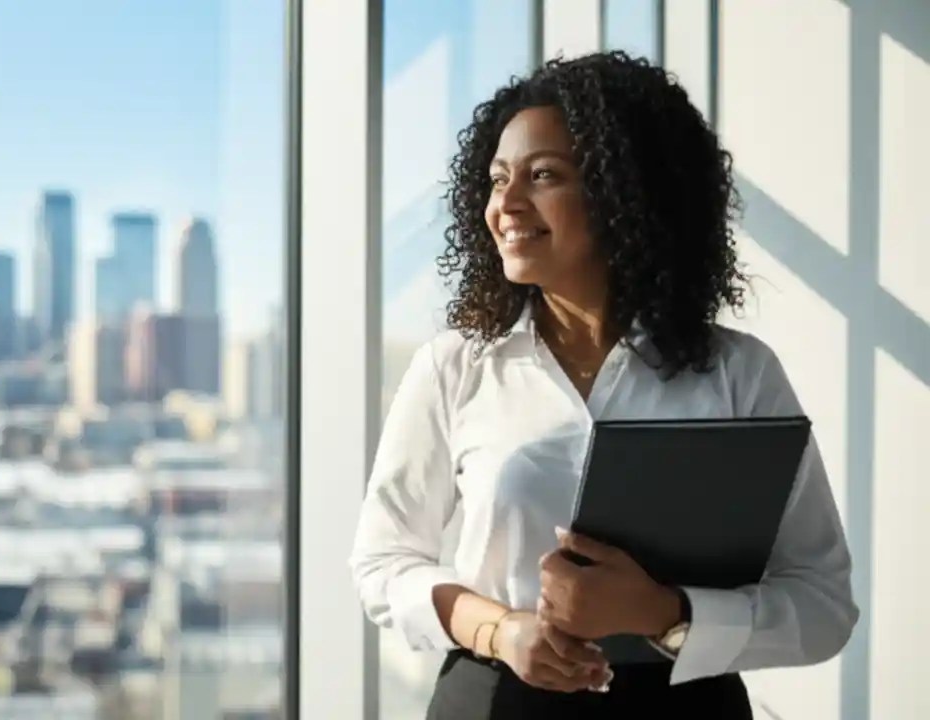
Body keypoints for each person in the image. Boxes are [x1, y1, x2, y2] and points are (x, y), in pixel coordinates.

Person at [349, 51, 859, 719]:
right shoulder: (455, 367)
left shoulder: (739, 372)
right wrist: (500, 631)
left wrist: (668, 615)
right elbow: (384, 564)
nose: (505, 204)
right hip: (496, 700)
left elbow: (823, 604)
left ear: (626, 191)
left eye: (542, 176)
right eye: (498, 178)